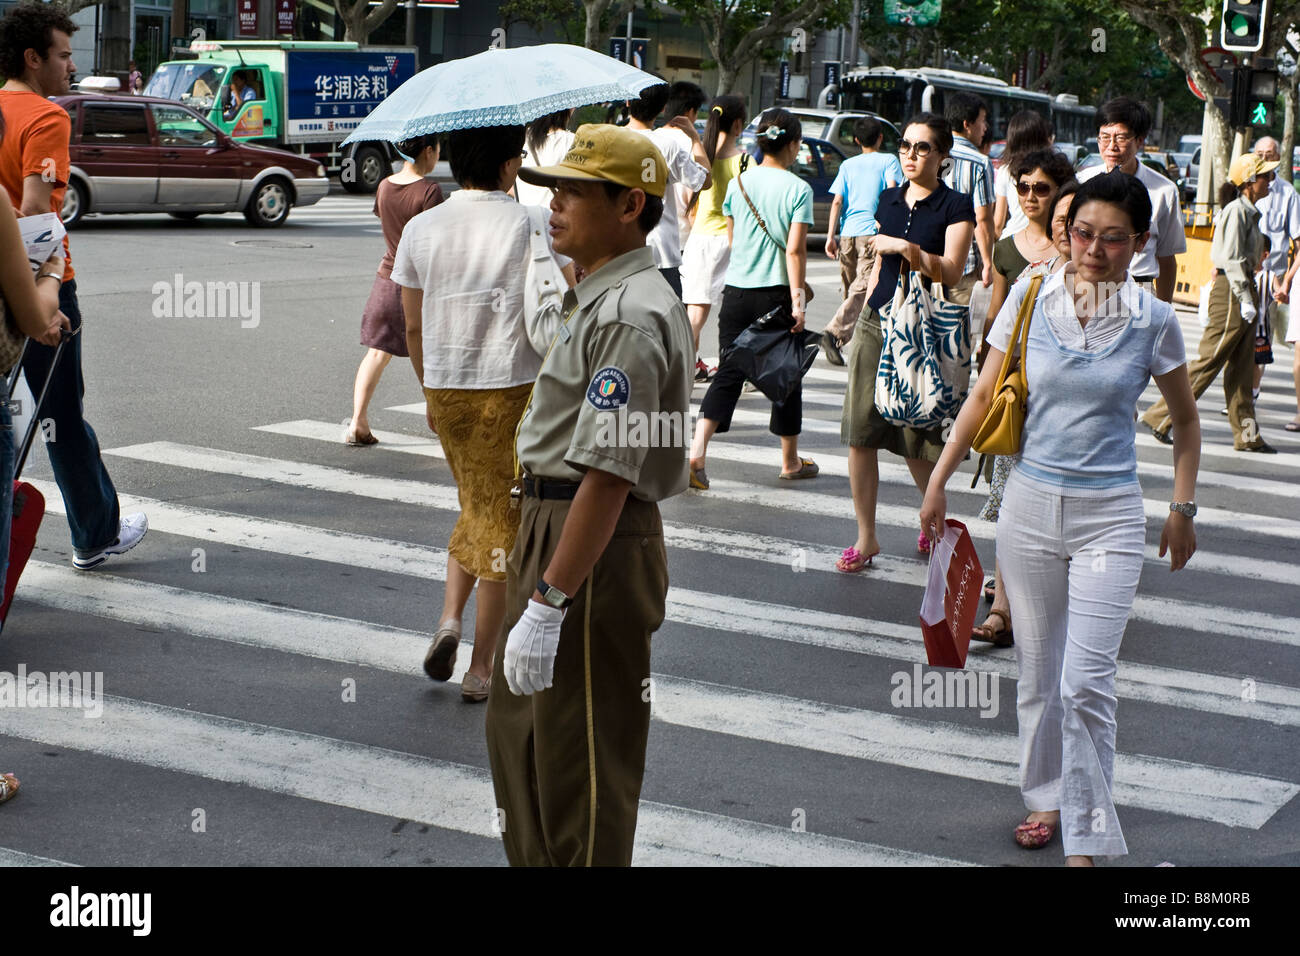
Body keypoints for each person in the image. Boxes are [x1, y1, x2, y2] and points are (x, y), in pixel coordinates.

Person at [921, 170, 1199, 865]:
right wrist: (939, 478)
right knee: (1041, 674)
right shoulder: (1029, 293)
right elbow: (985, 395)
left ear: (1139, 244)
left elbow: (1187, 427)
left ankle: (1086, 835)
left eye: (1113, 240)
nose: (1094, 251)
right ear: (1067, 229)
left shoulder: (1154, 321)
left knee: (1087, 682)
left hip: (1109, 515)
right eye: (1083, 233)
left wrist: (1181, 509)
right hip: (1030, 508)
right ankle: (1046, 793)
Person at [486, 124, 694, 866]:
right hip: (554, 524)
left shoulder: (630, 313)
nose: (556, 205)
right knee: (527, 740)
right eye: (553, 190)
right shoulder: (599, 295)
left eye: (574, 191)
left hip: (589, 543)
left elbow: (609, 474)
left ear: (630, 204)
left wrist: (549, 602)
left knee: (581, 761)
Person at [392, 124, 549, 702]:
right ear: (510, 165)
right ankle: (482, 666)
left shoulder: (421, 227)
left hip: (447, 389)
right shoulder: (531, 223)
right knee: (502, 524)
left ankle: (449, 621)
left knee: (477, 508)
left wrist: (432, 394)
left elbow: (411, 325)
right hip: (515, 391)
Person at [0, 2, 147, 571]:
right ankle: (93, 532)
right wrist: (51, 283)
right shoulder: (47, 117)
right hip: (34, 284)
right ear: (33, 58)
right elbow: (38, 213)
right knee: (59, 414)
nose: (69, 66)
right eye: (62, 56)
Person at [836, 113, 974, 572]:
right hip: (879, 320)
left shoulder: (956, 206)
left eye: (922, 148)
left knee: (916, 434)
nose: (911, 155)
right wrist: (859, 312)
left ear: (942, 157)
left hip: (923, 326)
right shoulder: (889, 199)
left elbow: (953, 271)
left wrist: (908, 250)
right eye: (906, 146)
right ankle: (866, 536)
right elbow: (877, 264)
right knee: (861, 433)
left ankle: (933, 516)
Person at [973, 155, 1076, 647]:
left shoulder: (1088, 261)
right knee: (1009, 502)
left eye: (1043, 188)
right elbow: (998, 315)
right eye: (1025, 187)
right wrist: (987, 373)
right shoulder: (1013, 254)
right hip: (1016, 394)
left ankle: (1047, 599)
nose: (1032, 196)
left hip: (1068, 416)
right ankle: (1002, 610)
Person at [688, 109, 818, 488]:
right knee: (787, 375)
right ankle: (790, 461)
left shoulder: (740, 183)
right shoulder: (798, 190)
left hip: (737, 293)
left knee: (728, 373)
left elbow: (733, 239)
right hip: (774, 295)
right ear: (793, 145)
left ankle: (696, 456)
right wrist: (797, 301)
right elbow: (794, 252)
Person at [1141, 153, 1279, 453]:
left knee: (1242, 372)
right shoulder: (1237, 212)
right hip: (1232, 293)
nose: (1271, 181)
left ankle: (1248, 435)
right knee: (1209, 362)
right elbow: (1231, 259)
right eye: (1266, 176)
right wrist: (1244, 298)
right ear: (1249, 182)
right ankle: (1159, 417)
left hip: (1243, 292)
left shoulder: (1249, 212)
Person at [344, 133, 444, 445]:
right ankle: (436, 412)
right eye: (437, 150)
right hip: (419, 284)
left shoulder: (385, 185)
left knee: (377, 353)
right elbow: (434, 243)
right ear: (428, 151)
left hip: (386, 279)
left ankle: (358, 421)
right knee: (432, 353)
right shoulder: (429, 191)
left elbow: (388, 222)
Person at [1077, 97, 1185, 302]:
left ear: (1140, 140)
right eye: (1105, 137)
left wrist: (1164, 311)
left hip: (1139, 288)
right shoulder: (1081, 182)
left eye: (1121, 138)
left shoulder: (1164, 191)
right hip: (1090, 287)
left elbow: (1167, 257)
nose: (1112, 147)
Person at [820, 115, 903, 366]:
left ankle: (838, 334)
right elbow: (891, 190)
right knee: (861, 288)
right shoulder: (889, 160)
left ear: (856, 140)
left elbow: (837, 201)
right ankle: (835, 332)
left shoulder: (848, 165)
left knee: (853, 288)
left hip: (847, 233)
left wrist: (830, 236)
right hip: (871, 231)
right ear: (880, 138)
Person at [680, 95, 747, 383]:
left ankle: (688, 367)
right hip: (727, 242)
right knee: (731, 316)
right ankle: (687, 368)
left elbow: (687, 199)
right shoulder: (744, 161)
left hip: (698, 239)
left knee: (694, 310)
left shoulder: (700, 156)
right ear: (738, 125)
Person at [624, 82, 710, 296]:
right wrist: (695, 139)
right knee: (665, 322)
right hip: (660, 247)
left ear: (627, 102)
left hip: (618, 244)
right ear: (663, 108)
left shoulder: (609, 139)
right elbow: (704, 181)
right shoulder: (667, 146)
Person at [1250, 136, 1300, 417]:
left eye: (1270, 154)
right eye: (1260, 153)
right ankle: (1242, 390)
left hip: (1273, 278)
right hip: (1245, 273)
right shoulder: (1245, 186)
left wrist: (1288, 281)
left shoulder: (1288, 194)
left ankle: (1251, 393)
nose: (1265, 157)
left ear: (1279, 156)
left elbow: (1298, 242)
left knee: (1260, 335)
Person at [940, 92, 995, 307]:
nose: (985, 128)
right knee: (956, 331)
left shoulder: (933, 153)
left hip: (928, 259)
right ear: (967, 124)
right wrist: (988, 262)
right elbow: (982, 218)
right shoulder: (979, 162)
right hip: (964, 263)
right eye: (982, 121)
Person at [516, 108, 578, 288]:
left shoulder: (522, 140)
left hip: (526, 229)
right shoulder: (571, 142)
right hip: (558, 232)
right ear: (567, 108)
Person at [992, 111, 1054, 239]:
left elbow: (998, 223)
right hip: (1044, 240)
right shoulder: (1051, 169)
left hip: (1012, 239)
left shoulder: (1005, 171)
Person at [663, 80, 708, 247]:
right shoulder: (693, 146)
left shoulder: (652, 138)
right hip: (681, 238)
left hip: (648, 235)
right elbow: (695, 198)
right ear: (690, 112)